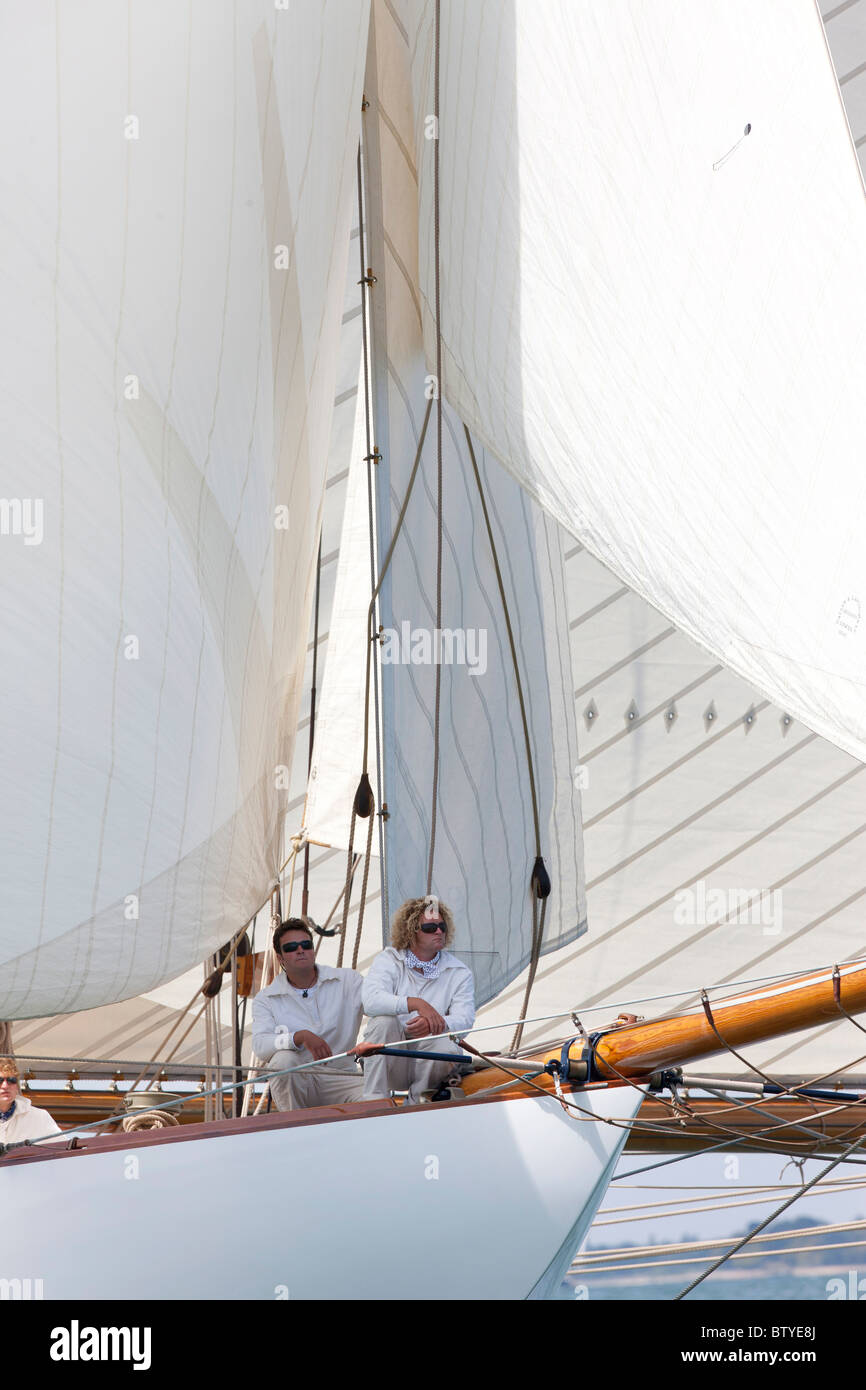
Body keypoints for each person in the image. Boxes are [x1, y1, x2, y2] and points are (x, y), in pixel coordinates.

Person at [362, 897, 475, 1102]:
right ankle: (374, 1101)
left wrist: (433, 1023)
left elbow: (465, 1020)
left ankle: (415, 1105)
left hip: (431, 1063)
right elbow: (370, 1001)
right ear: (411, 931)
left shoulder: (459, 972)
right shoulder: (389, 960)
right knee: (382, 1022)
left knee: (446, 1044)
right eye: (430, 927)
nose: (439, 931)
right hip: (393, 1059)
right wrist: (416, 1003)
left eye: (442, 926)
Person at [251, 918, 366, 1110]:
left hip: (343, 1078)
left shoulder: (348, 981)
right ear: (280, 958)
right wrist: (299, 1037)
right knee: (282, 1061)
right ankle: (294, 1127)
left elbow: (379, 1004)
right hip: (299, 1081)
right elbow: (260, 1045)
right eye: (291, 947)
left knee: (377, 1099)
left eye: (306, 944)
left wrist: (415, 1006)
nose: (300, 950)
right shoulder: (266, 999)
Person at [0, 1058, 62, 1144]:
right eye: (0, 1080)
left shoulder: (40, 1117)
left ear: (16, 1086)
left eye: (11, 1080)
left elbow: (61, 1150)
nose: (5, 1085)